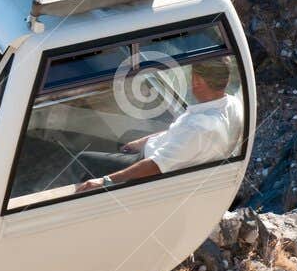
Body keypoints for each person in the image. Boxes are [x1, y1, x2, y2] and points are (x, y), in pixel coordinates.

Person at [75, 58, 241, 194]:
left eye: (192, 77)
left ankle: (87, 194)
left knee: (82, 160)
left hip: (149, 164)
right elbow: (180, 134)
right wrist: (143, 141)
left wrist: (106, 181)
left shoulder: (199, 129)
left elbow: (155, 166)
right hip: (168, 148)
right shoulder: (233, 105)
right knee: (126, 137)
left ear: (197, 82)